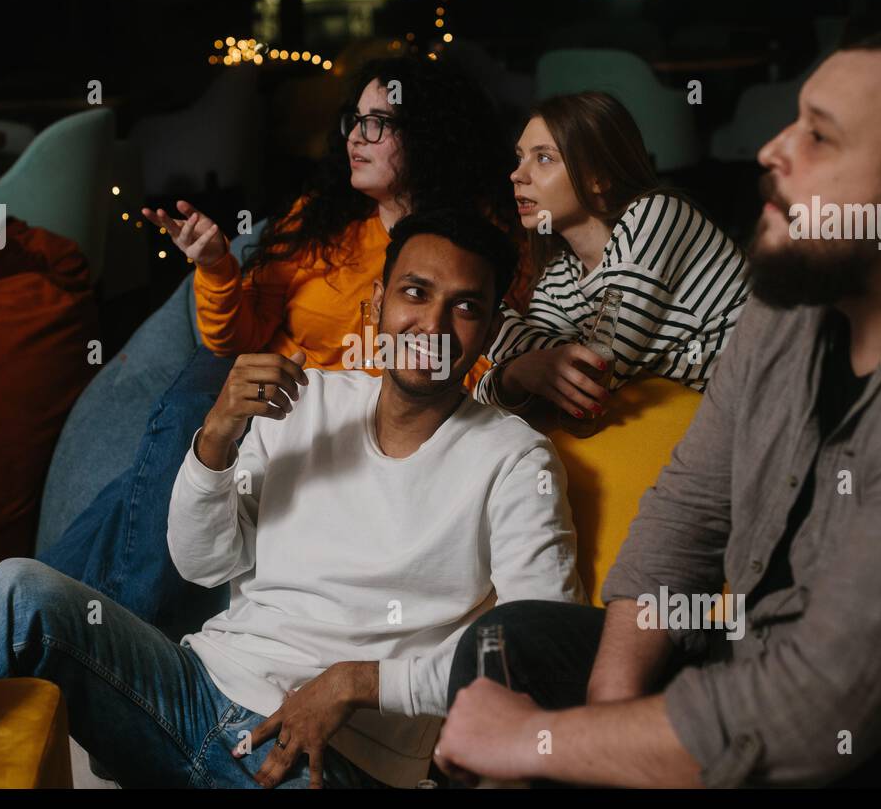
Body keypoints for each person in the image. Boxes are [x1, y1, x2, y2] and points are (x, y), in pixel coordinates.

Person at [436, 20, 881, 788]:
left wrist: (542, 743)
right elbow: (687, 514)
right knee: (513, 643)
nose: (772, 150)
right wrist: (598, 716)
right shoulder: (789, 307)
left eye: (818, 137)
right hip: (746, 654)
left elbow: (818, 710)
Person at [0, 209, 584, 788]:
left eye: (466, 307)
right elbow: (203, 564)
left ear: (493, 327)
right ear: (379, 301)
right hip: (191, 693)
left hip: (328, 759)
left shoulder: (514, 458)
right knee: (16, 592)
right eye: (415, 293)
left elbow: (539, 651)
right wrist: (217, 437)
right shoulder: (309, 401)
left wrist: (356, 682)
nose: (434, 325)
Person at [39, 56, 522, 635]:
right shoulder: (320, 222)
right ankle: (47, 626)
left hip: (328, 429)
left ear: (430, 134)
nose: (355, 137)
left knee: (142, 482)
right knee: (190, 409)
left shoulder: (468, 253)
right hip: (252, 407)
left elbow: (468, 362)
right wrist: (218, 267)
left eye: (378, 123)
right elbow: (235, 340)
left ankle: (81, 638)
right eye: (353, 120)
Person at [475, 91, 750, 425]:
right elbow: (496, 402)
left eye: (544, 158)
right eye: (519, 158)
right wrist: (521, 372)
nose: (517, 175)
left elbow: (592, 376)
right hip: (694, 429)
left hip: (769, 409)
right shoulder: (558, 278)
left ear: (598, 177)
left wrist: (488, 320)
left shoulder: (658, 216)